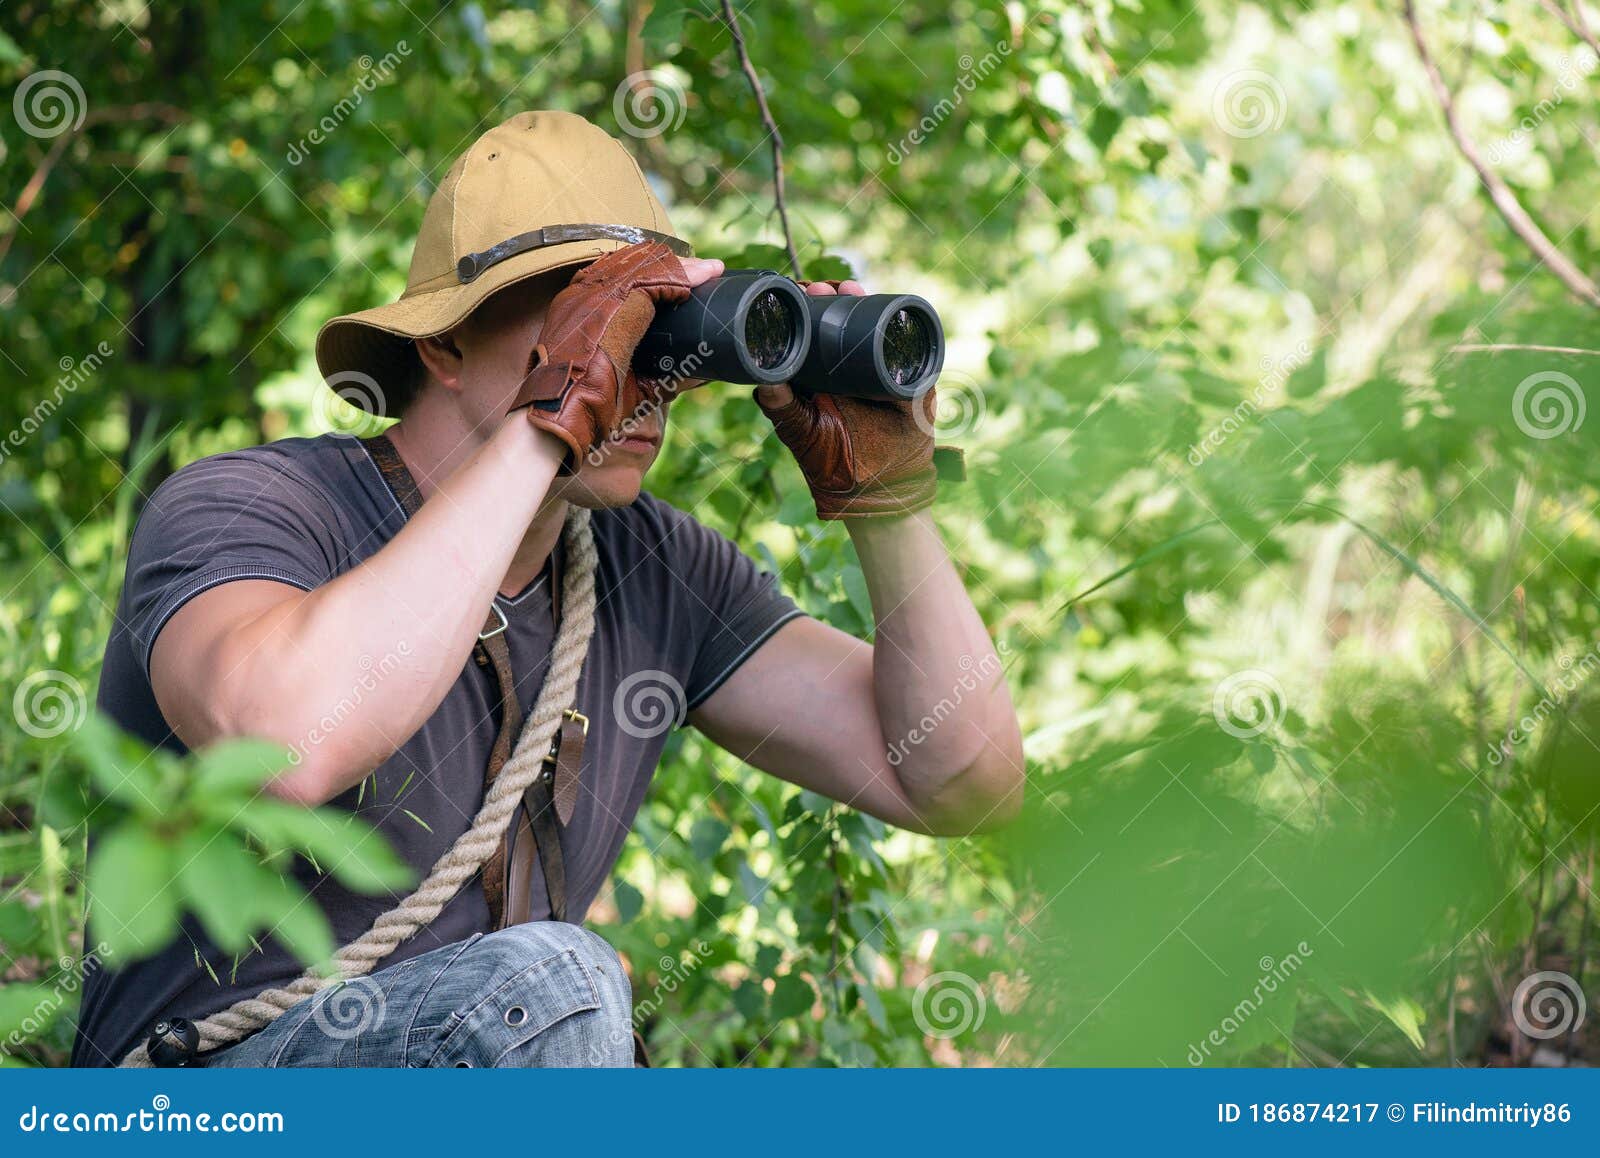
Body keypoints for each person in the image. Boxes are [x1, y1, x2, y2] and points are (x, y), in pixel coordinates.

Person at [72, 110, 1022, 1068]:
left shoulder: (650, 567)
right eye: (589, 318)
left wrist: (887, 498)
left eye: (655, 329)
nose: (642, 376)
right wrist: (554, 415)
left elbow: (955, 779)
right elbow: (284, 743)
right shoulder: (251, 507)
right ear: (442, 347)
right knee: (551, 989)